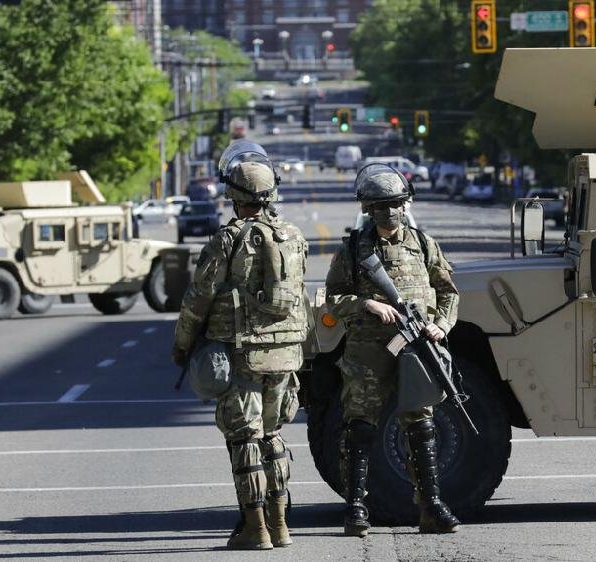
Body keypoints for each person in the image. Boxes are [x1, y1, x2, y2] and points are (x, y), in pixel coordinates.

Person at [171, 141, 309, 551]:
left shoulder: (228, 239)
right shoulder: (293, 236)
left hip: (242, 351)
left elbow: (199, 298)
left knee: (245, 437)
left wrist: (182, 344)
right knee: (273, 435)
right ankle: (281, 525)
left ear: (234, 196)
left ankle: (256, 528)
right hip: (286, 353)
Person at [324, 163, 461, 537]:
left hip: (414, 347)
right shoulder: (353, 249)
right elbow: (330, 298)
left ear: (406, 204)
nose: (389, 212)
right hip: (368, 351)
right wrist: (367, 305)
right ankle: (355, 508)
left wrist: (441, 325)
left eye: (396, 204)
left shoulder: (424, 244)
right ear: (368, 209)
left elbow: (447, 291)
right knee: (360, 427)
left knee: (421, 424)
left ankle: (431, 506)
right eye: (381, 206)